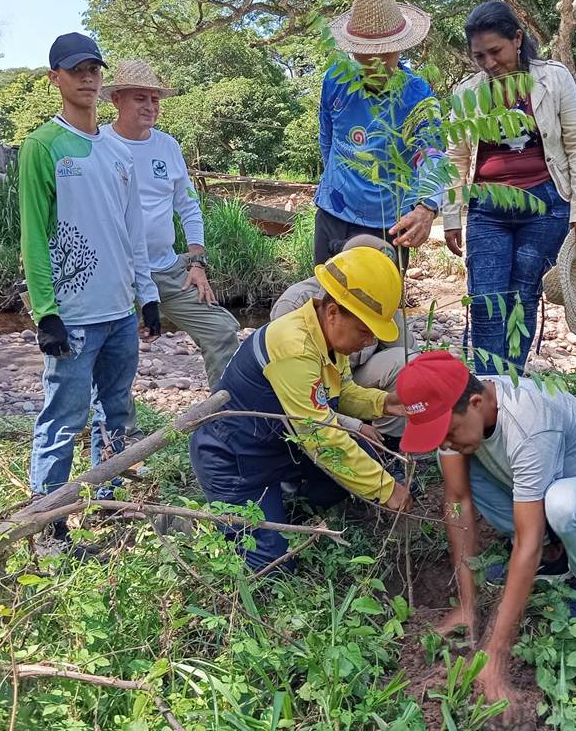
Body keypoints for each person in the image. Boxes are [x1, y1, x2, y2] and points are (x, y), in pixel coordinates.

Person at [396, 351, 576, 707]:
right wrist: (467, 607)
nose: (446, 442)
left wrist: (496, 653)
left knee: (564, 504)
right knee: (459, 469)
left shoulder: (528, 420)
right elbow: (457, 503)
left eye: (448, 432)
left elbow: (525, 542)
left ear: (476, 403)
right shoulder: (460, 421)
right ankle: (555, 555)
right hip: (550, 495)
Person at [189, 246, 414, 571]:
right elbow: (320, 437)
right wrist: (386, 489)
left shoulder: (327, 338)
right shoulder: (294, 346)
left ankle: (281, 509)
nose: (368, 342)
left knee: (362, 455)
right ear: (333, 312)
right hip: (235, 462)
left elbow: (342, 393)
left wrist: (383, 402)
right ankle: (214, 526)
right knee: (273, 570)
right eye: (364, 331)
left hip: (279, 451)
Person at [18, 32, 161, 542]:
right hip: (74, 316)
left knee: (116, 410)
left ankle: (108, 501)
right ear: (54, 78)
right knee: (63, 417)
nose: (86, 79)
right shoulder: (42, 146)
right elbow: (34, 235)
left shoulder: (118, 151)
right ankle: (48, 525)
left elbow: (133, 231)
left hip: (120, 312)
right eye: (75, 70)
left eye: (93, 70)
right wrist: (45, 313)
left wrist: (147, 295)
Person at [441, 0, 576, 374]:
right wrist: (451, 215)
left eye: (496, 51)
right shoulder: (467, 93)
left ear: (517, 39)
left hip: (545, 205)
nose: (490, 63)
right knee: (484, 299)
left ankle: (510, 384)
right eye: (479, 56)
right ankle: (488, 384)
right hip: (486, 209)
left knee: (523, 296)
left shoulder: (553, 79)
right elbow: (456, 156)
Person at [105, 59, 241, 385]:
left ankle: (225, 410)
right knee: (111, 351)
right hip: (116, 273)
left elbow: (188, 206)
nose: (150, 106)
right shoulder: (99, 144)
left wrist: (197, 263)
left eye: (155, 99)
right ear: (117, 99)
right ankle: (111, 418)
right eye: (140, 98)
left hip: (167, 270)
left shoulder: (167, 145)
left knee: (222, 331)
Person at [316, 0, 447, 267]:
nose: (375, 66)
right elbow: (328, 139)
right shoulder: (335, 80)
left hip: (389, 222)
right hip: (334, 214)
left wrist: (427, 207)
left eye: (384, 55)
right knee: (326, 293)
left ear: (399, 48)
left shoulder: (418, 95)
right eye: (365, 56)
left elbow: (432, 155)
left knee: (380, 297)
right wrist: (337, 182)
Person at [270, 234, 417, 449]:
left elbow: (408, 352)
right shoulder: (295, 303)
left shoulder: (379, 298)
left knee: (407, 363)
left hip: (348, 384)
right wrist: (354, 426)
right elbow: (293, 397)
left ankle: (388, 448)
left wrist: (388, 402)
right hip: (307, 390)